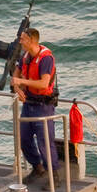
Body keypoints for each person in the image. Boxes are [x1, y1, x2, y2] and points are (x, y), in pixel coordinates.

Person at [11, 28, 59, 182]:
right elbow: (16, 75)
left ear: (31, 41)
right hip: (28, 104)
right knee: (23, 138)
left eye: (23, 39)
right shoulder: (25, 56)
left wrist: (22, 82)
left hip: (43, 106)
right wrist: (17, 88)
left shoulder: (46, 58)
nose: (20, 41)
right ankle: (37, 167)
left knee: (45, 141)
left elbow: (44, 83)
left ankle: (54, 176)